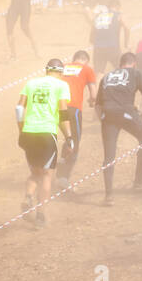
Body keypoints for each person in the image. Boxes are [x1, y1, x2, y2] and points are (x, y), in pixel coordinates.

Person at [17, 60, 72, 227]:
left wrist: (21, 129)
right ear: (61, 72)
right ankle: (41, 214)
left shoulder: (31, 83)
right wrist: (69, 136)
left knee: (35, 172)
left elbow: (19, 108)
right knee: (47, 175)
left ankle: (28, 197)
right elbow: (63, 112)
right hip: (47, 132)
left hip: (28, 131)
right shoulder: (61, 85)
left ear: (46, 70)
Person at [97, 52, 142, 204]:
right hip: (127, 113)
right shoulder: (136, 73)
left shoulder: (106, 76)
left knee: (109, 156)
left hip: (108, 116)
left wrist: (102, 119)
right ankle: (139, 179)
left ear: (120, 63)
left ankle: (109, 196)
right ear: (134, 63)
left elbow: (98, 105)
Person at [56, 50, 97, 188]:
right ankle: (63, 177)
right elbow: (93, 94)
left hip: (55, 107)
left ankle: (57, 161)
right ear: (86, 60)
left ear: (74, 59)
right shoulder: (87, 69)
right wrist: (92, 101)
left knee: (64, 137)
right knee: (75, 142)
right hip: (73, 108)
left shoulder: (63, 66)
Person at [89, 0, 129, 75]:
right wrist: (126, 44)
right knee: (121, 71)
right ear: (118, 6)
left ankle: (97, 86)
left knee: (98, 73)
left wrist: (93, 42)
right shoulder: (119, 15)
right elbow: (127, 28)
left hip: (98, 47)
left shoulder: (98, 16)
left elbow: (92, 31)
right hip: (113, 47)